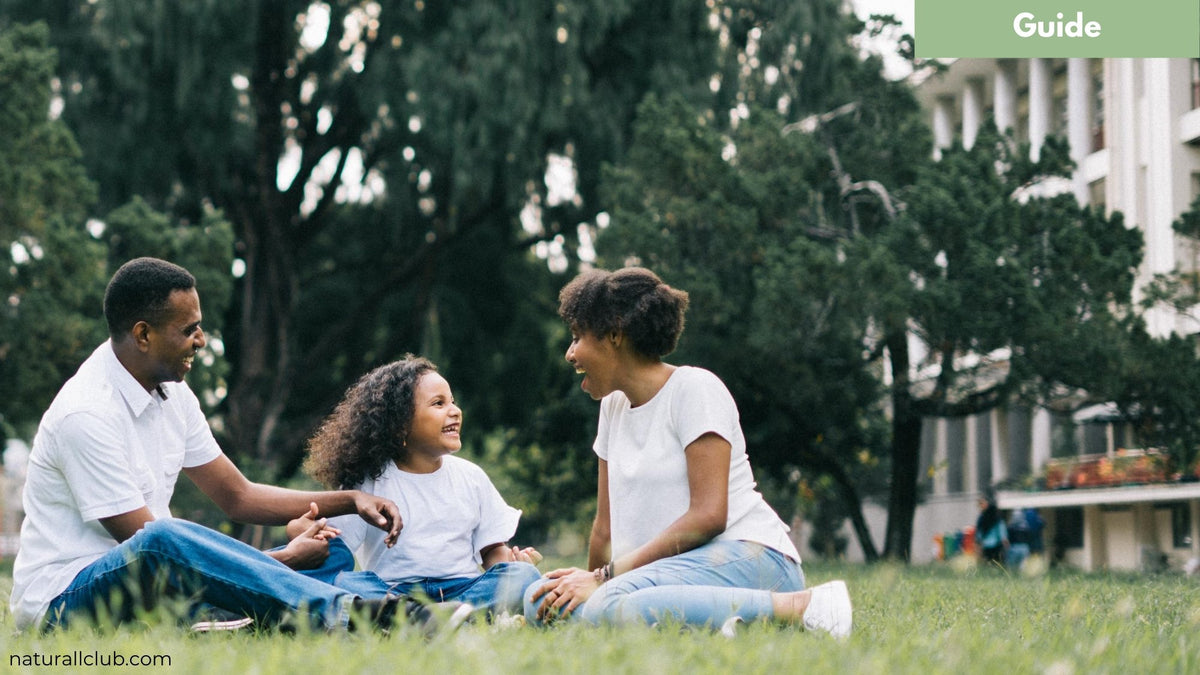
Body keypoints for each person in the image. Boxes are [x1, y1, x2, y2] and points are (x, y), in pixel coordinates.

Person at [10, 257, 419, 632]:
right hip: (65, 601)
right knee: (161, 537)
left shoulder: (172, 394)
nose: (201, 340)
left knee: (330, 554)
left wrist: (350, 500)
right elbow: (155, 553)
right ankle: (351, 612)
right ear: (143, 335)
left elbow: (238, 497)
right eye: (189, 330)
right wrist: (285, 560)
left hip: (156, 584)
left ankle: (232, 618)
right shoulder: (86, 414)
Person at [523, 267, 852, 638]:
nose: (570, 353)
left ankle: (803, 606)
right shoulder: (612, 408)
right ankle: (720, 624)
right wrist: (584, 586)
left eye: (576, 336)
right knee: (540, 603)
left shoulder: (695, 389)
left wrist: (604, 580)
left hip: (749, 558)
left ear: (614, 334)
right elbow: (604, 529)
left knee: (609, 603)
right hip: (669, 573)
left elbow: (709, 516)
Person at [300, 356, 543, 618]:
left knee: (523, 576)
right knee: (347, 583)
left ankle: (440, 616)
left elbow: (491, 551)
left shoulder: (471, 477)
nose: (454, 411)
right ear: (399, 425)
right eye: (438, 404)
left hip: (463, 587)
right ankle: (430, 616)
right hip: (393, 594)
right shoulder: (367, 483)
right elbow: (337, 550)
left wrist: (509, 563)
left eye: (453, 401)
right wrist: (307, 531)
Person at [974, 492, 1008, 568]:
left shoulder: (994, 516)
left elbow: (1001, 528)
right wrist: (978, 545)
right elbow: (979, 532)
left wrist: (1004, 540)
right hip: (987, 546)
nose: (981, 506)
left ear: (987, 503)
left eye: (982, 503)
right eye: (980, 504)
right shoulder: (982, 517)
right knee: (990, 565)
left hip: (996, 545)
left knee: (997, 565)